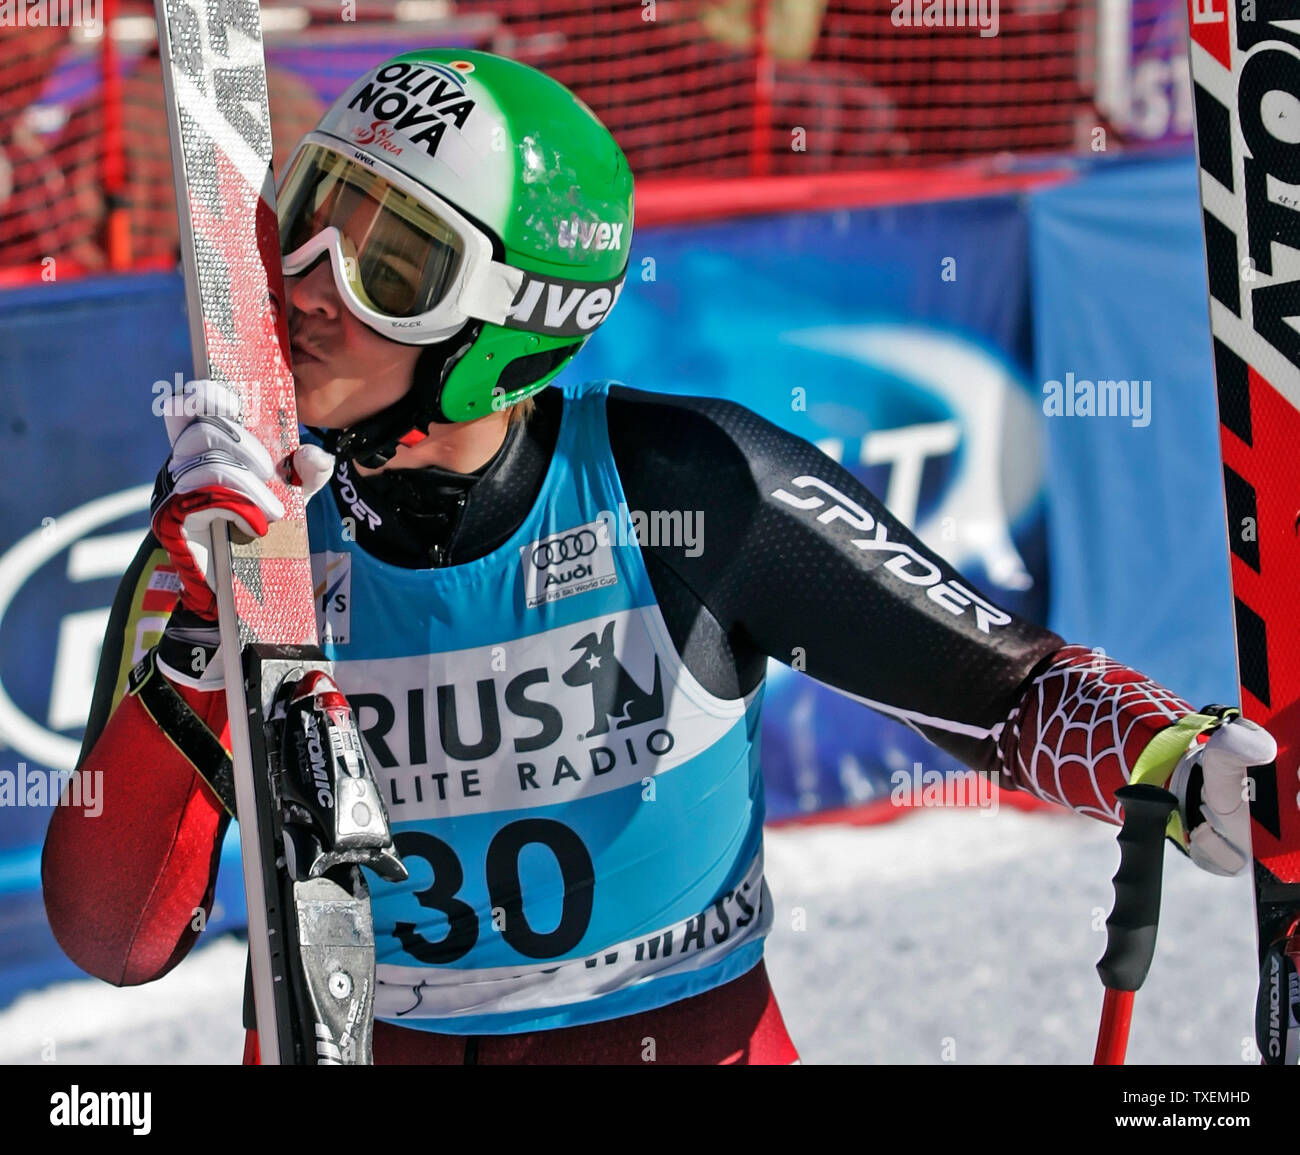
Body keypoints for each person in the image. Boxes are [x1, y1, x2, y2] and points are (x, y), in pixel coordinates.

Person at [42, 49, 1274, 1065]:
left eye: (388, 263)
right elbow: (114, 939)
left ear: (503, 323)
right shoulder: (235, 521)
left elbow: (999, 692)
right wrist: (207, 631)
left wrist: (1169, 755)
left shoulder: (681, 486)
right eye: (308, 220)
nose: (308, 286)